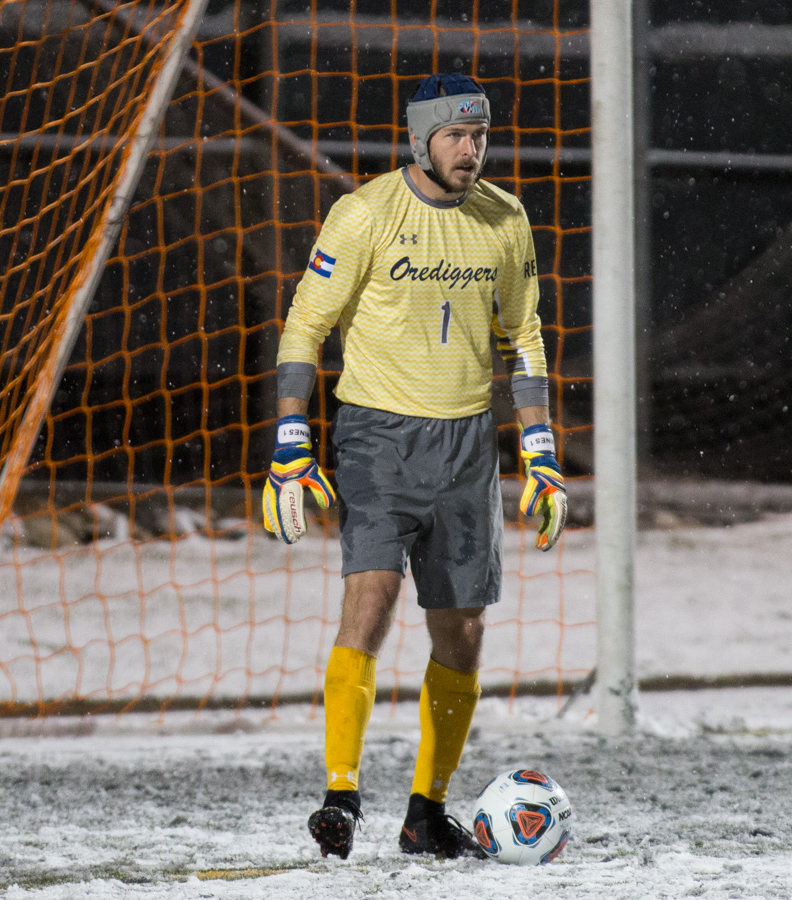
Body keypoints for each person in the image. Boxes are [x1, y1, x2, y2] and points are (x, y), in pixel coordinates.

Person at [262, 73, 567, 861]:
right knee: (371, 597)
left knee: (462, 630)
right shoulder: (364, 213)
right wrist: (290, 439)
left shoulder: (504, 218)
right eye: (457, 136)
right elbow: (304, 326)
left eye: (481, 136)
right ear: (421, 139)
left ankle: (425, 811)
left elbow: (523, 336)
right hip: (377, 439)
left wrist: (539, 451)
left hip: (467, 445)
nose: (472, 150)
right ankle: (340, 792)